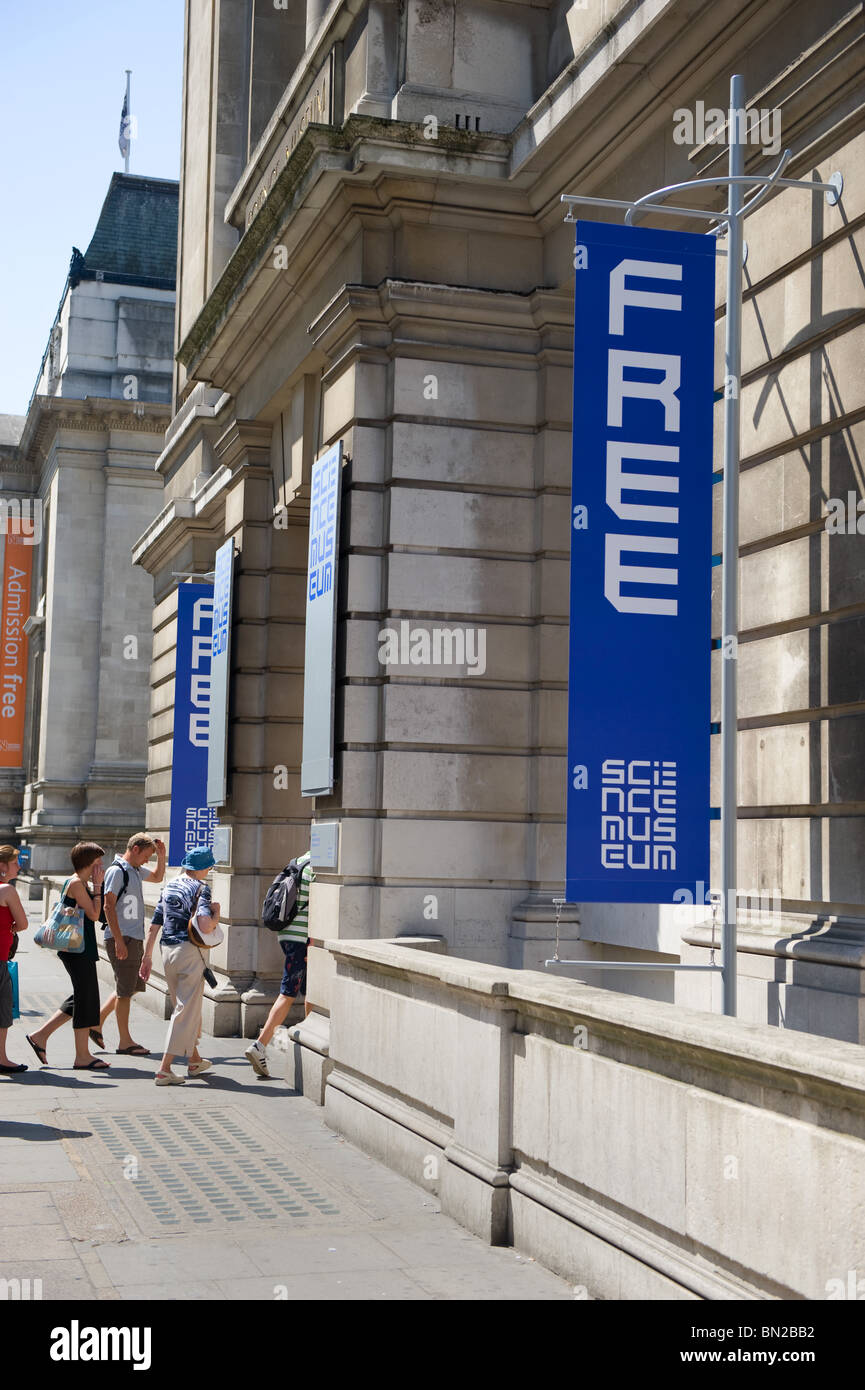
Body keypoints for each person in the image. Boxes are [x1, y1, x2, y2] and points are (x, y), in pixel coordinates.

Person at [140, 845, 220, 1086]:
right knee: (184, 1011)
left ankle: (194, 1060)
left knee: (183, 1008)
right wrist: (216, 915)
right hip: (189, 952)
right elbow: (206, 925)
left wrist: (147, 957)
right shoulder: (201, 889)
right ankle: (164, 1069)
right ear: (203, 868)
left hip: (167, 951)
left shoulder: (170, 885)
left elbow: (155, 923)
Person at [26, 842, 109, 1071]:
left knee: (82, 997)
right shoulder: (75, 883)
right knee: (85, 999)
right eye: (98, 862)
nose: (101, 866)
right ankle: (82, 1056)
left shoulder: (79, 882)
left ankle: (40, 1036)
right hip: (77, 950)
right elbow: (93, 914)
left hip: (80, 948)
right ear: (88, 863)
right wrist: (99, 886)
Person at [93, 833, 166, 1056]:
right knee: (125, 992)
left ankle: (97, 1022)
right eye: (146, 856)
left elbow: (157, 877)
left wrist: (161, 856)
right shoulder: (118, 871)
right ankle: (125, 1042)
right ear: (135, 849)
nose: (147, 861)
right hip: (123, 937)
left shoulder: (134, 869)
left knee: (128, 987)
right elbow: (108, 906)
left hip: (132, 937)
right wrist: (118, 941)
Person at [245, 848, 314, 1078]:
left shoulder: (298, 860)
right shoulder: (315, 868)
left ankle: (309, 1030)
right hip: (302, 940)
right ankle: (260, 1045)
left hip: (287, 935)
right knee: (288, 992)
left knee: (310, 990)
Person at [0, 845, 30, 1073]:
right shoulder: (7, 891)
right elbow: (23, 924)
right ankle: (1, 1058)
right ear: (2, 867)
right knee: (2, 1008)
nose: (19, 866)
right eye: (14, 863)